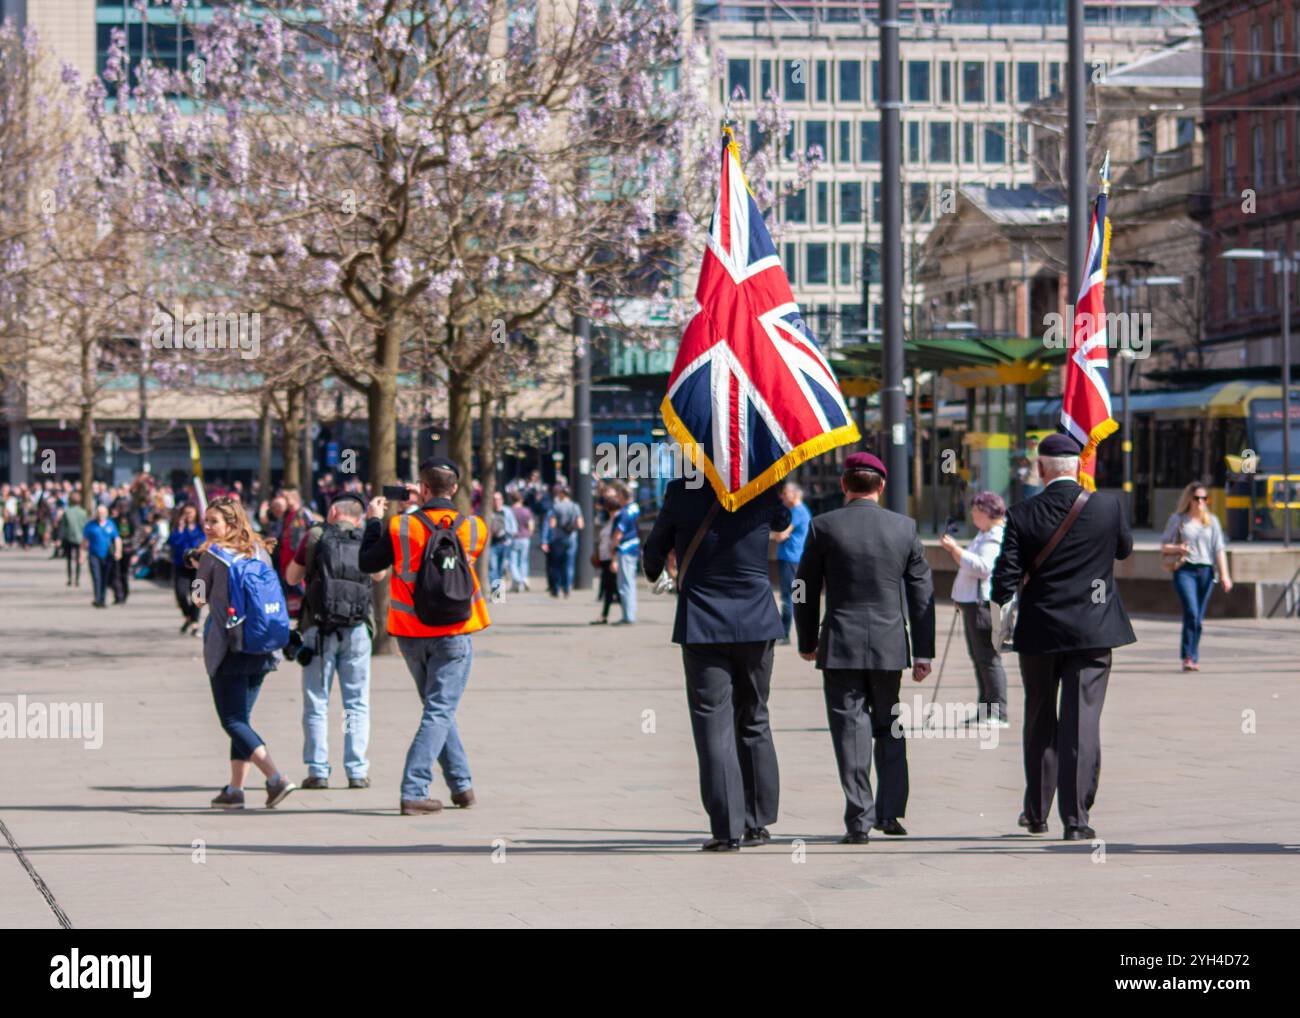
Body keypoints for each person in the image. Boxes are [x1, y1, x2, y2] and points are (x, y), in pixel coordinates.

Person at [991, 433, 1135, 841]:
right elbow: (1123, 550)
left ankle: (1036, 812)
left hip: (1040, 632)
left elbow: (1003, 580)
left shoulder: (1021, 513)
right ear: (1079, 468)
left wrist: (998, 627)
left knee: (1039, 718)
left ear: (1040, 469)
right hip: (1094, 629)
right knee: (1082, 721)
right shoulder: (1108, 507)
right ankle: (1077, 820)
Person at [642, 476, 792, 851]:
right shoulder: (761, 487)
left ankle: (726, 828)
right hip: (757, 621)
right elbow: (782, 520)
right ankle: (757, 821)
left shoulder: (682, 491)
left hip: (703, 621)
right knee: (755, 715)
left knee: (713, 721)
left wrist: (661, 572)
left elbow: (652, 553)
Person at [794, 452, 935, 843]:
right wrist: (923, 651)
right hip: (890, 645)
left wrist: (807, 640)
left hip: (840, 643)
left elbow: (803, 589)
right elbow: (922, 593)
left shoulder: (823, 527)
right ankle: (889, 814)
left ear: (844, 485)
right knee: (889, 724)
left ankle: (859, 819)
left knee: (849, 729)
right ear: (882, 486)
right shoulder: (904, 529)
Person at [359, 457, 490, 815]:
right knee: (439, 710)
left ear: (423, 486)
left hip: (411, 634)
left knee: (437, 709)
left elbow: (369, 562)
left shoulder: (401, 526)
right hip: (455, 631)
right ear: (457, 488)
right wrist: (426, 503)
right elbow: (448, 533)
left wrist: (375, 519)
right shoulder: (475, 527)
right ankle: (414, 790)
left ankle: (461, 786)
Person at [192, 496, 297, 809]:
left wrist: (198, 569)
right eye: (206, 520)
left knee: (232, 721)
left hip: (229, 647)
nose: (207, 527)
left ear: (231, 524)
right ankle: (235, 791)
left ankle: (276, 778)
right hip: (262, 645)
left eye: (213, 522)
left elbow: (197, 599)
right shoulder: (260, 550)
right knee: (242, 719)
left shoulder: (211, 555)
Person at [285, 493, 383, 790]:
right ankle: (356, 770)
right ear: (359, 515)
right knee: (356, 702)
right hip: (357, 628)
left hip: (319, 627)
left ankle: (318, 770)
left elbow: (291, 577)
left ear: (331, 511)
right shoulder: (367, 537)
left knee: (317, 701)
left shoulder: (315, 535)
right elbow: (379, 574)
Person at [939, 490, 1009, 726]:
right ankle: (986, 708)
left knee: (988, 658)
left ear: (986, 512)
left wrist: (955, 550)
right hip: (974, 604)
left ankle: (998, 711)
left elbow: (982, 567)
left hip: (984, 606)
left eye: (975, 511)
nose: (972, 515)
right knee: (980, 657)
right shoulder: (984, 534)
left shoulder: (994, 537)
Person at [1160, 481, 1232, 672]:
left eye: (1204, 498)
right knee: (1191, 611)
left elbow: (1219, 549)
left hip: (1206, 572)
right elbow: (1164, 545)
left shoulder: (1212, 521)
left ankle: (1192, 654)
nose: (1201, 502)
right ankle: (1189, 657)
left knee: (1198, 618)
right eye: (1197, 498)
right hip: (1185, 570)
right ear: (1189, 499)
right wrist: (1178, 548)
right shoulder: (1178, 519)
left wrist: (1225, 575)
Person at [772, 481, 812, 644]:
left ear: (795, 494)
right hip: (798, 559)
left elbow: (781, 535)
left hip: (790, 559)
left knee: (789, 597)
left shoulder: (796, 512)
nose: (782, 496)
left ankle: (785, 633)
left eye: (785, 493)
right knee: (798, 597)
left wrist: (775, 532)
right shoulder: (802, 511)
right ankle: (802, 633)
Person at [168, 503, 206, 634]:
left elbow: (203, 543)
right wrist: (179, 528)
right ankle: (189, 616)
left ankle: (195, 623)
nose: (188, 515)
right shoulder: (178, 529)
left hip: (198, 566)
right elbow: (173, 542)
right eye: (186, 513)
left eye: (191, 512)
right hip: (181, 565)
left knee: (198, 596)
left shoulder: (201, 529)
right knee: (181, 593)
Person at [542, 484, 583, 598]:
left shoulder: (556, 507)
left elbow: (552, 524)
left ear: (562, 494)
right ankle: (567, 588)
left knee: (556, 565)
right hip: (571, 538)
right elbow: (580, 524)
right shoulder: (575, 506)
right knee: (569, 565)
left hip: (558, 539)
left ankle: (556, 588)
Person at [609, 480, 640, 625]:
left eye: (618, 495)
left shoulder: (624, 513)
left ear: (623, 496)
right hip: (634, 546)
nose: (617, 498)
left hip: (625, 548)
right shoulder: (635, 508)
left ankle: (628, 616)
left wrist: (612, 550)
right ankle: (629, 613)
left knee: (625, 583)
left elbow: (618, 534)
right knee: (630, 582)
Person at [82, 503, 121, 609]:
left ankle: (102, 599)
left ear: (106, 514)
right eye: (99, 513)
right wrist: (82, 555)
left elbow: (116, 538)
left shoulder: (110, 524)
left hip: (107, 555)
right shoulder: (90, 525)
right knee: (96, 577)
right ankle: (97, 598)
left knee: (104, 578)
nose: (101, 515)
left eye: (103, 513)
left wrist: (118, 551)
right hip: (94, 554)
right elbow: (85, 541)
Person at [591, 488, 620, 624]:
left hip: (610, 558)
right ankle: (607, 613)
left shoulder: (616, 521)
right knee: (612, 587)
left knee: (612, 587)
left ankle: (606, 615)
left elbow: (616, 540)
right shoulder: (610, 521)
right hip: (606, 557)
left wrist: (614, 559)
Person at [487, 490, 517, 595]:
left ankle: (498, 593)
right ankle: (496, 593)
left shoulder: (507, 512)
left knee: (501, 569)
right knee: (493, 568)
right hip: (492, 545)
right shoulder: (488, 512)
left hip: (504, 544)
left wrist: (508, 539)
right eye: (494, 499)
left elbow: (513, 528)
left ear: (502, 500)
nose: (496, 501)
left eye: (498, 499)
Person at [58, 492, 88, 587]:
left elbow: (62, 527)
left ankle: (70, 579)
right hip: (80, 538)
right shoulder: (83, 512)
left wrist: (59, 539)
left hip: (69, 538)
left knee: (69, 559)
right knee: (78, 559)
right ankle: (77, 579)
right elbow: (85, 526)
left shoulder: (67, 512)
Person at [507, 490, 533, 592]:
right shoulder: (526, 511)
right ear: (521, 499)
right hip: (525, 538)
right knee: (524, 560)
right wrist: (528, 535)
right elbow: (531, 526)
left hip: (513, 538)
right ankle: (524, 579)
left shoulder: (509, 511)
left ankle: (517, 579)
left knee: (513, 561)